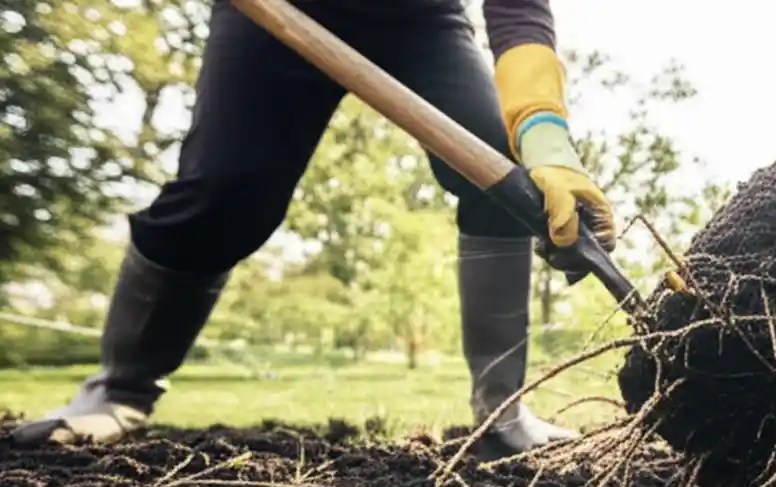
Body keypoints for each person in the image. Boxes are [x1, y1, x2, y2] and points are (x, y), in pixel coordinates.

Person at [11, 0, 616, 458]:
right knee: (228, 191)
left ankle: (500, 414)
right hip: (275, 11)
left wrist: (545, 136)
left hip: (419, 18)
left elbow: (517, 8)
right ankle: (119, 389)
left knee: (501, 177)